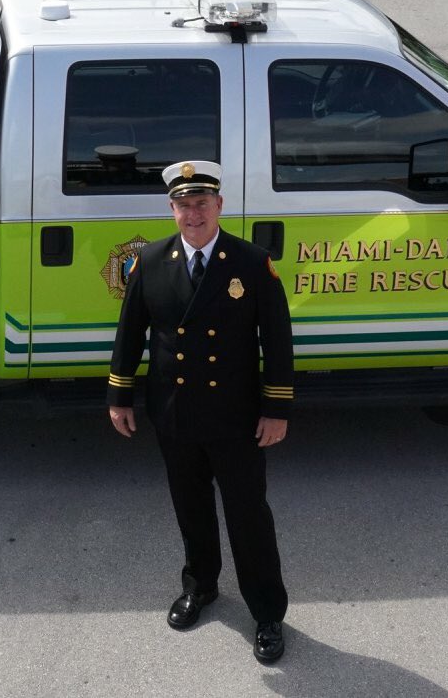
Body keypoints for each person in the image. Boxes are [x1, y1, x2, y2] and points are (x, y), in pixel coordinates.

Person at [107, 160, 293, 667]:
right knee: (190, 507)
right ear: (172, 209)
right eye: (184, 205)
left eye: (202, 204)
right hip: (175, 411)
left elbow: (276, 341)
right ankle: (202, 587)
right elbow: (131, 334)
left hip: (235, 415)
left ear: (219, 206)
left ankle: (268, 613)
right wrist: (119, 395)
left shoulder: (252, 263)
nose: (193, 214)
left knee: (248, 514)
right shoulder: (149, 260)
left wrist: (276, 409)